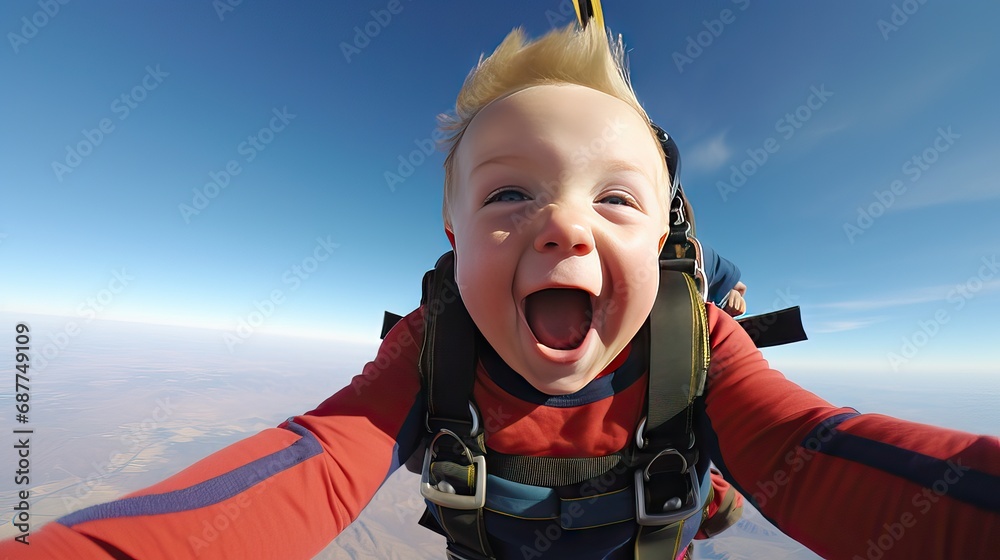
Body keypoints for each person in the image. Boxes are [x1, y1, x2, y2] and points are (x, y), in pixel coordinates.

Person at [4, 22, 998, 560]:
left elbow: (813, 450)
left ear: (663, 243)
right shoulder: (433, 348)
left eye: (614, 197)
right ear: (452, 236)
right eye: (509, 192)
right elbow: (310, 462)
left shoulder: (693, 339)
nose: (561, 224)